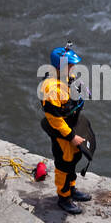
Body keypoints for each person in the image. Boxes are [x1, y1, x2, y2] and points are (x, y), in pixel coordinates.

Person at [38, 43, 92, 214]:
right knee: (64, 163)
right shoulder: (51, 88)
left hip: (71, 124)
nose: (73, 67)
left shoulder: (66, 76)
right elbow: (55, 120)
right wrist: (71, 137)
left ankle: (72, 189)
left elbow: (74, 84)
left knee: (75, 157)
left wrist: (82, 88)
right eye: (70, 65)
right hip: (62, 131)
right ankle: (64, 197)